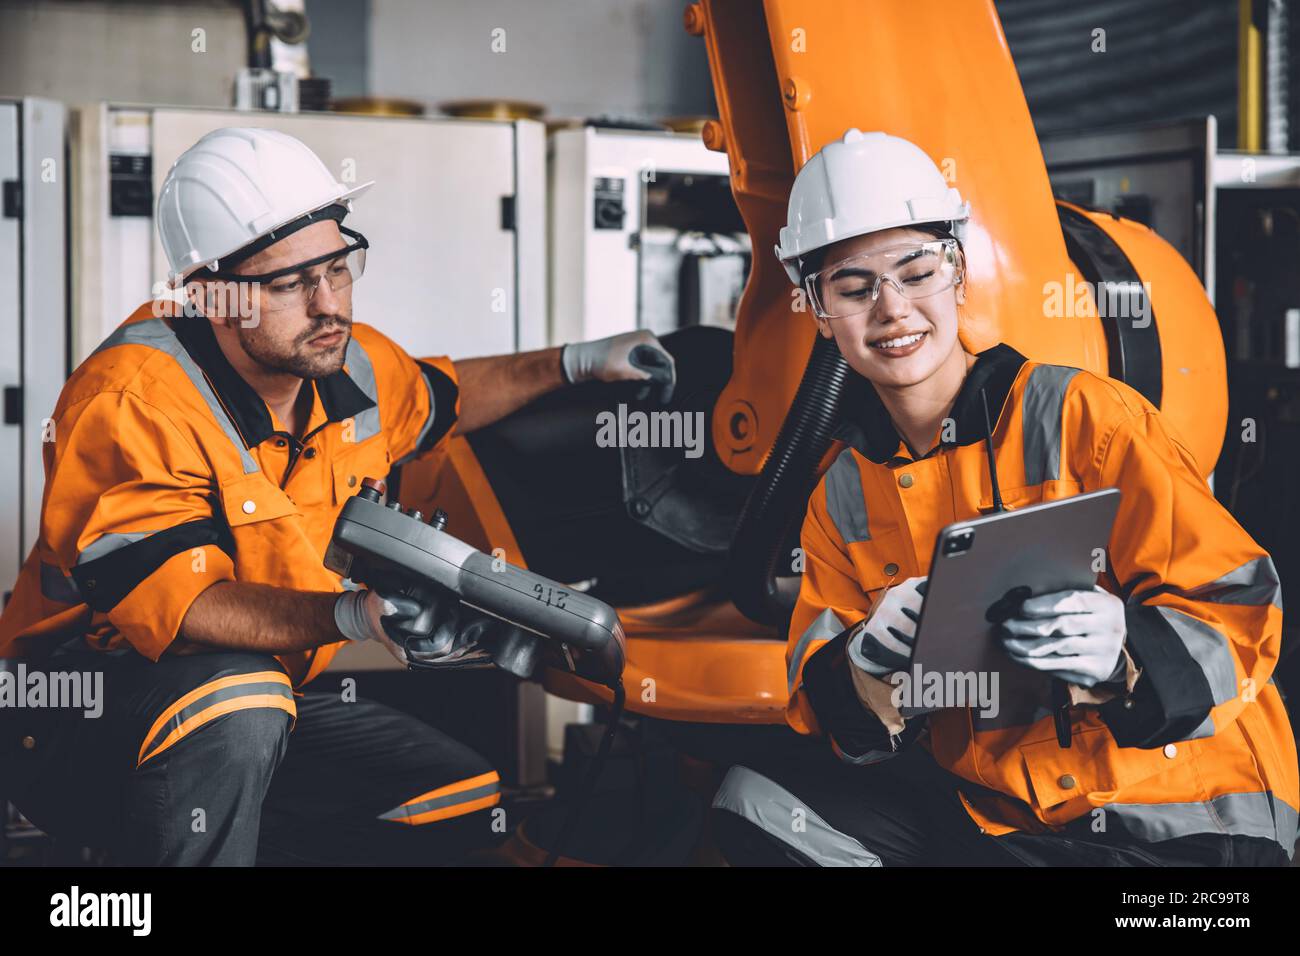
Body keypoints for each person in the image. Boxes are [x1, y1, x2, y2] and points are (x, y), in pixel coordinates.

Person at [0, 127, 674, 865]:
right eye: (290, 283)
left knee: (452, 798)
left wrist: (577, 363)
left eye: (339, 266)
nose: (329, 305)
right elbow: (185, 611)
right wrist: (351, 615)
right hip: (74, 718)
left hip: (256, 710)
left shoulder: (343, 363)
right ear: (210, 295)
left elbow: (441, 394)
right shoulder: (131, 401)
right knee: (240, 698)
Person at [711, 128, 1298, 866]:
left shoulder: (1086, 417)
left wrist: (1127, 651)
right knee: (760, 807)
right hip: (1003, 818)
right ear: (818, 310)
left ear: (957, 273)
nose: (891, 310)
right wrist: (866, 662)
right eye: (854, 288)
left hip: (1188, 827)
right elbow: (826, 709)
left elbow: (1241, 607)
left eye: (915, 272)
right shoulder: (841, 493)